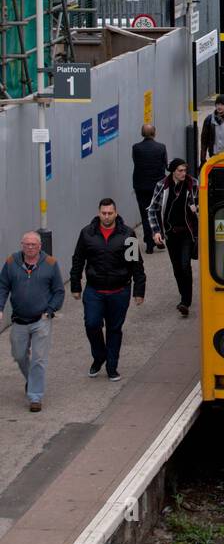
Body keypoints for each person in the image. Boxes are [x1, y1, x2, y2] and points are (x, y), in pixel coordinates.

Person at [71, 198, 145, 381]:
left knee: (114, 329)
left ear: (116, 213)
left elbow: (136, 263)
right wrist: (75, 285)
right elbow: (78, 260)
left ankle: (112, 366)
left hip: (119, 291)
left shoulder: (127, 234)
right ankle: (99, 356)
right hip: (94, 291)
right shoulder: (87, 234)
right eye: (103, 213)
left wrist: (139, 291)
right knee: (91, 324)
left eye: (109, 213)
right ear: (98, 213)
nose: (106, 216)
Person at [0, 231, 64, 412]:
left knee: (38, 359)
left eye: (33, 245)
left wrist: (50, 310)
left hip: (41, 320)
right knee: (19, 355)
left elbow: (59, 290)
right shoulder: (12, 262)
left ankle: (35, 397)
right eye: (26, 244)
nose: (29, 248)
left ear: (40, 246)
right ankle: (32, 379)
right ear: (22, 245)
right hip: (19, 320)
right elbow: (3, 285)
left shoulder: (50, 264)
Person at [148, 159, 199, 317]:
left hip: (187, 232)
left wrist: (196, 208)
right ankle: (183, 294)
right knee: (177, 268)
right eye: (180, 171)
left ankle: (185, 301)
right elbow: (152, 210)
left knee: (185, 265)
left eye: (185, 170)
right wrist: (156, 231)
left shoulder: (193, 184)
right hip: (171, 233)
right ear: (172, 172)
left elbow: (202, 204)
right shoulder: (162, 186)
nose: (184, 173)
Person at [131, 123, 167, 254]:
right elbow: (165, 164)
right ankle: (160, 238)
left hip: (141, 186)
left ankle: (149, 244)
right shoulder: (161, 148)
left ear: (142, 133)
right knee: (156, 212)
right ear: (154, 133)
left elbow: (136, 162)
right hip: (156, 186)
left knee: (145, 214)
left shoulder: (136, 148)